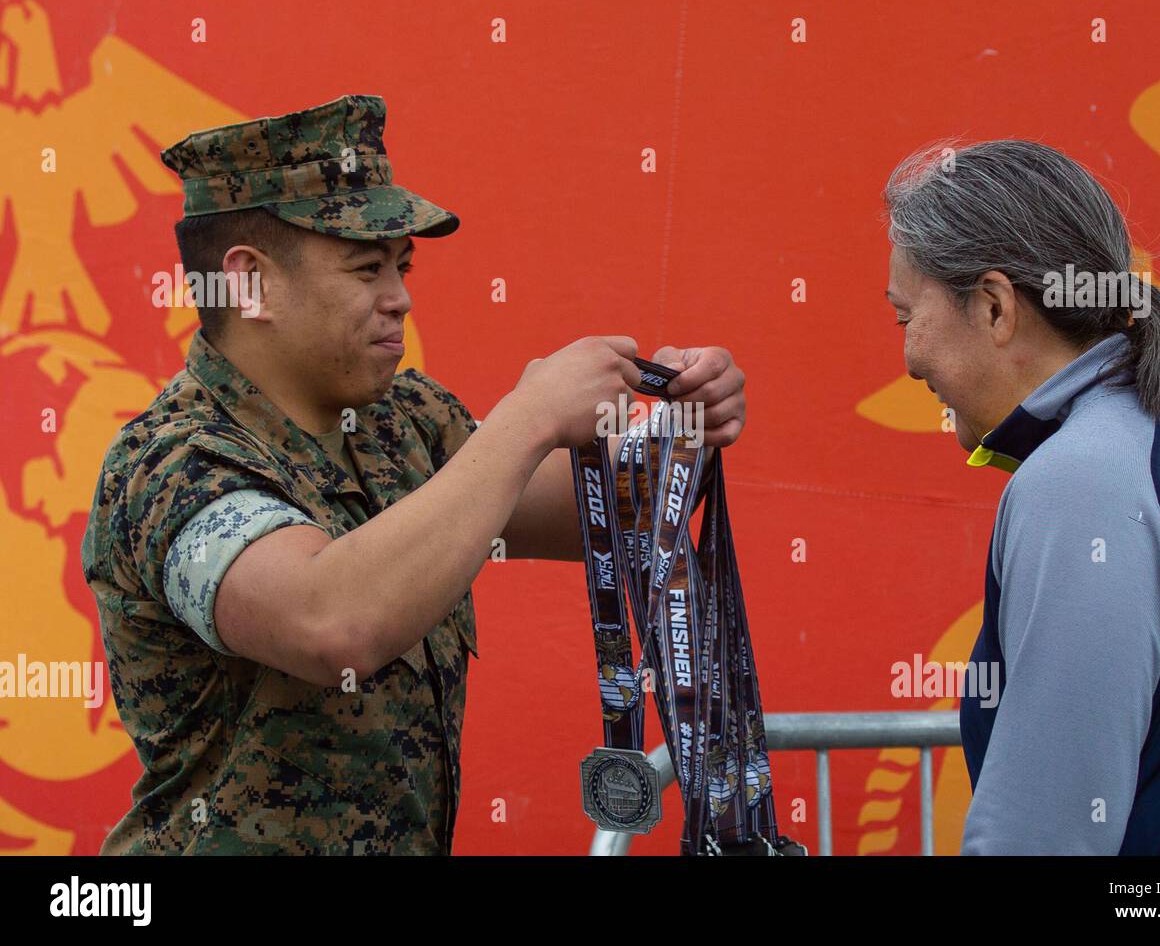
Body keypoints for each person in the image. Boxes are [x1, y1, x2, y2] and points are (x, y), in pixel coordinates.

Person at [80, 94, 747, 854]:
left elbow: (595, 518)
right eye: (367, 269)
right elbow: (332, 625)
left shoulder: (407, 415)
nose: (399, 299)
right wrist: (528, 418)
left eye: (402, 266)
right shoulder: (170, 462)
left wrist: (682, 427)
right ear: (249, 283)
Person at [883, 139, 1160, 854]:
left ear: (992, 307)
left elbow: (1044, 837)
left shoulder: (1084, 479)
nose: (908, 356)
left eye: (905, 317)